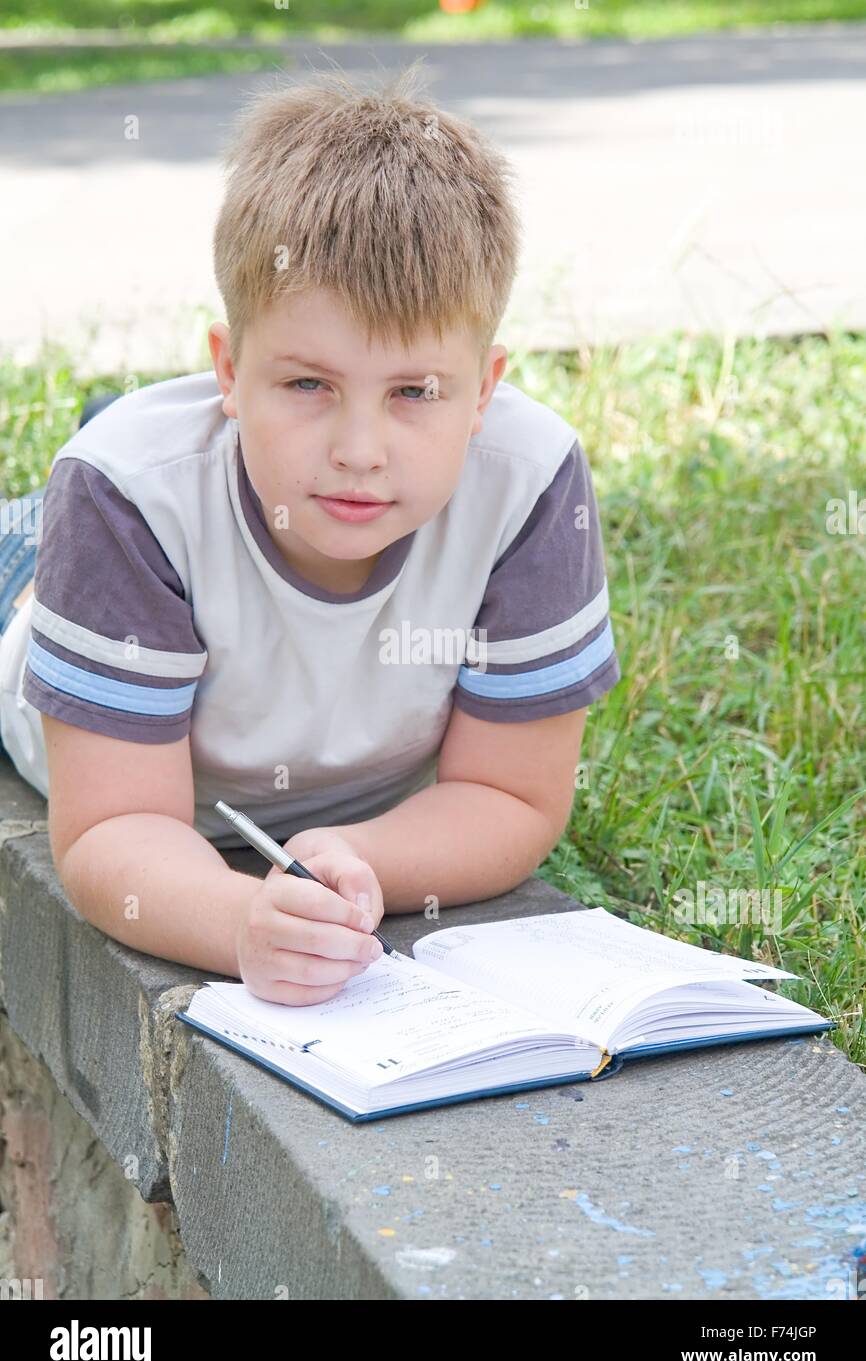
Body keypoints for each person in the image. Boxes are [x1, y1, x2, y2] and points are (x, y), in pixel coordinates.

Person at [0, 64, 621, 1004]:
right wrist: (239, 921)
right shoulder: (127, 500)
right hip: (44, 592)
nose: (361, 452)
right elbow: (111, 829)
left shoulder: (531, 483)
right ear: (229, 365)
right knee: (82, 505)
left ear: (486, 389)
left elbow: (514, 796)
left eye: (415, 391)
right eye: (307, 385)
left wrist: (360, 857)